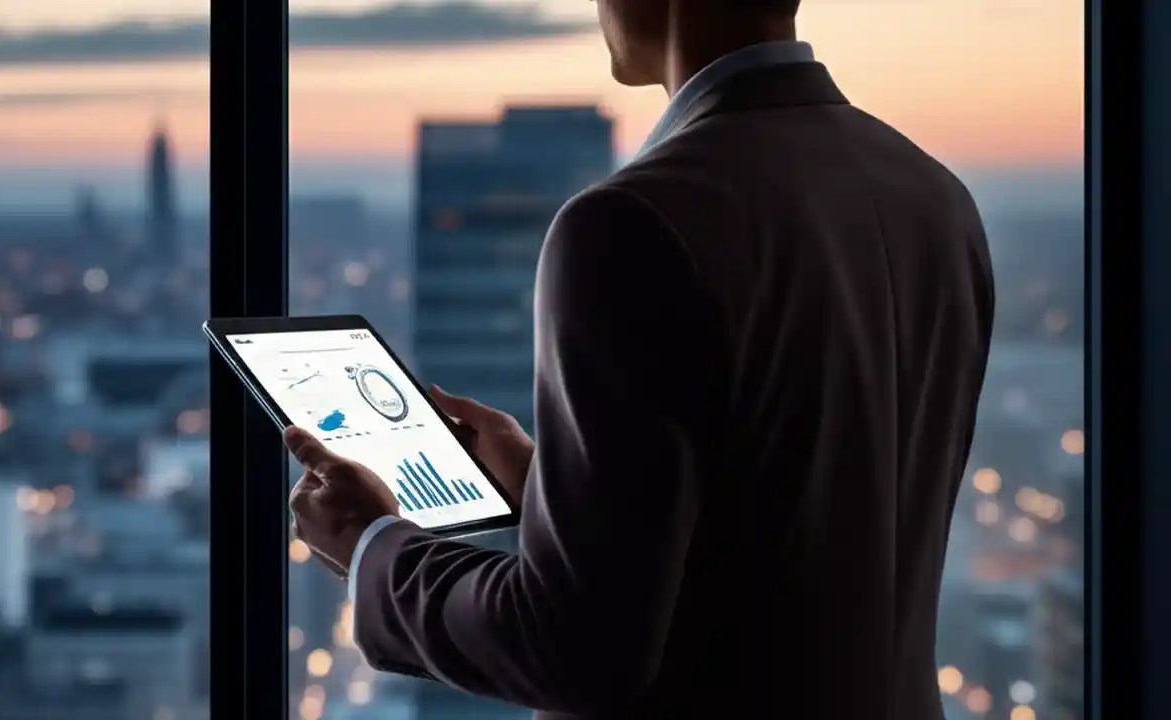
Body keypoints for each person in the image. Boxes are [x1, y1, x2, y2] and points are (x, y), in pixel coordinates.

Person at [285, 0, 995, 717]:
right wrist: (548, 487)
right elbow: (792, 529)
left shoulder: (631, 223)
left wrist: (373, 547)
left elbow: (573, 648)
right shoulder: (935, 198)